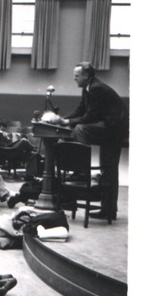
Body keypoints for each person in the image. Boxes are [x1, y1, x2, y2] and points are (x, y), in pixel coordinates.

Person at [58, 61, 128, 220]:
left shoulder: (96, 88)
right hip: (110, 129)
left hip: (113, 131)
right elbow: (80, 110)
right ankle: (108, 210)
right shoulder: (88, 87)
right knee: (109, 170)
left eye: (77, 76)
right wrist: (62, 119)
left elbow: (90, 116)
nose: (74, 79)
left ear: (86, 75)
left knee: (81, 129)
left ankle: (81, 170)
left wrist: (67, 123)